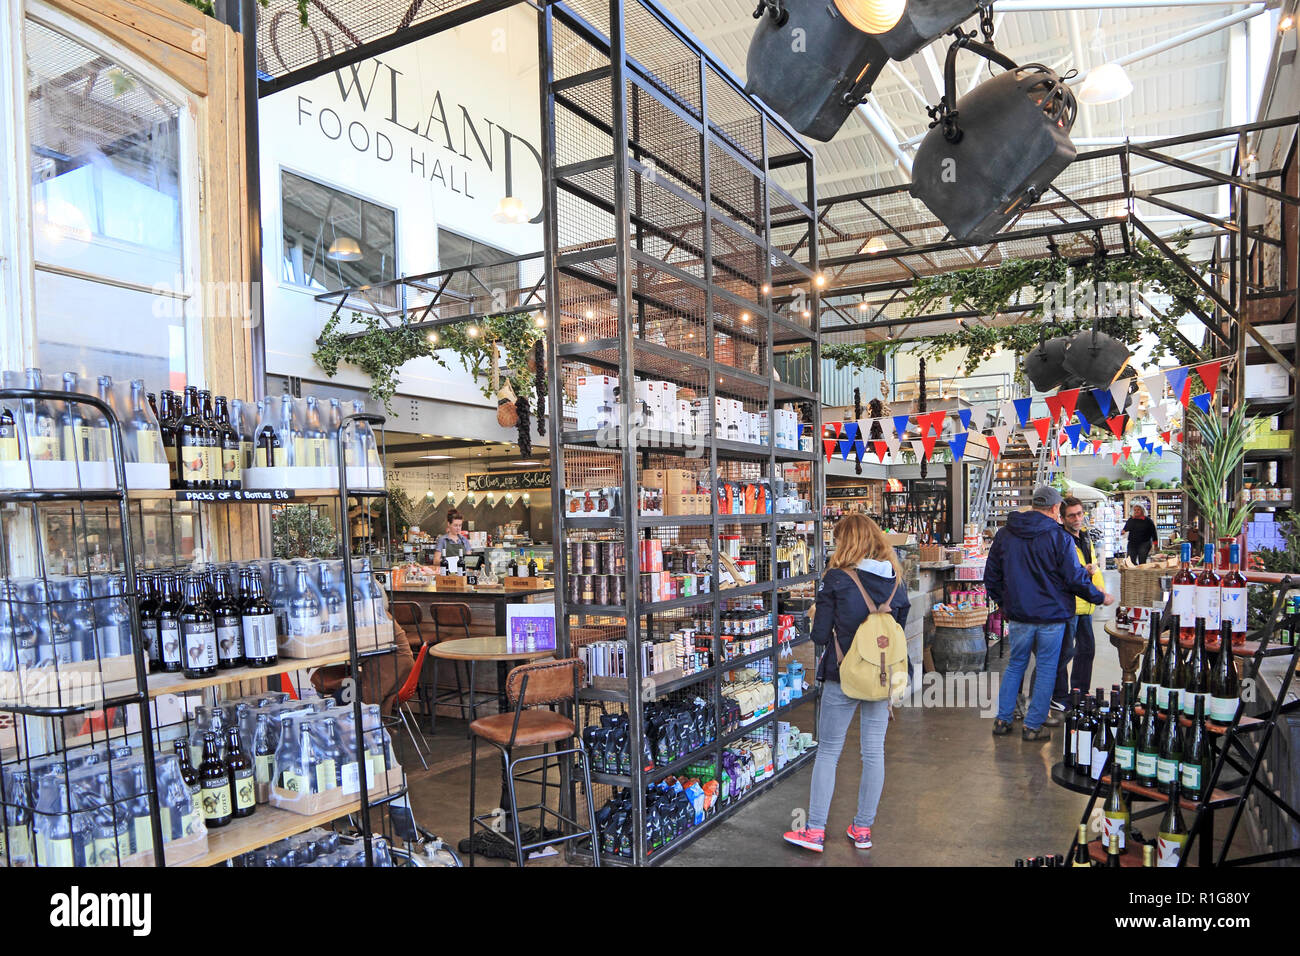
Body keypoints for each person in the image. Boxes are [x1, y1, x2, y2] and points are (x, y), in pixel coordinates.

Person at [783, 514, 911, 854]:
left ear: (846, 543)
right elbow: (898, 630)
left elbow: (819, 635)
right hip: (881, 679)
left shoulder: (836, 579)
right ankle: (863, 829)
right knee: (874, 752)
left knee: (829, 751)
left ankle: (814, 831)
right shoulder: (896, 580)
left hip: (842, 676)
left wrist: (821, 615)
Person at [986, 486, 1112, 742]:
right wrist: (1099, 597)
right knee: (1046, 668)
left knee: (1015, 665)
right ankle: (1032, 726)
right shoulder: (1059, 537)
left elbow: (992, 576)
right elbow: (1074, 578)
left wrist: (1004, 604)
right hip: (1052, 617)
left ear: (1035, 505)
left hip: (1019, 615)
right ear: (1055, 508)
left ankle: (1002, 720)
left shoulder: (1005, 534)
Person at [1050, 496, 1106, 719]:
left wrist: (1099, 591)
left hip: (1086, 605)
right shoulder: (1061, 540)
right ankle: (1059, 697)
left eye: (1079, 514)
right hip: (1069, 606)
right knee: (1064, 654)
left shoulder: (1084, 537)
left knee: (1086, 651)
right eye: (1071, 515)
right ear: (1062, 518)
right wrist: (1087, 574)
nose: (1077, 518)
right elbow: (1068, 573)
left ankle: (1080, 694)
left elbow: (1094, 568)